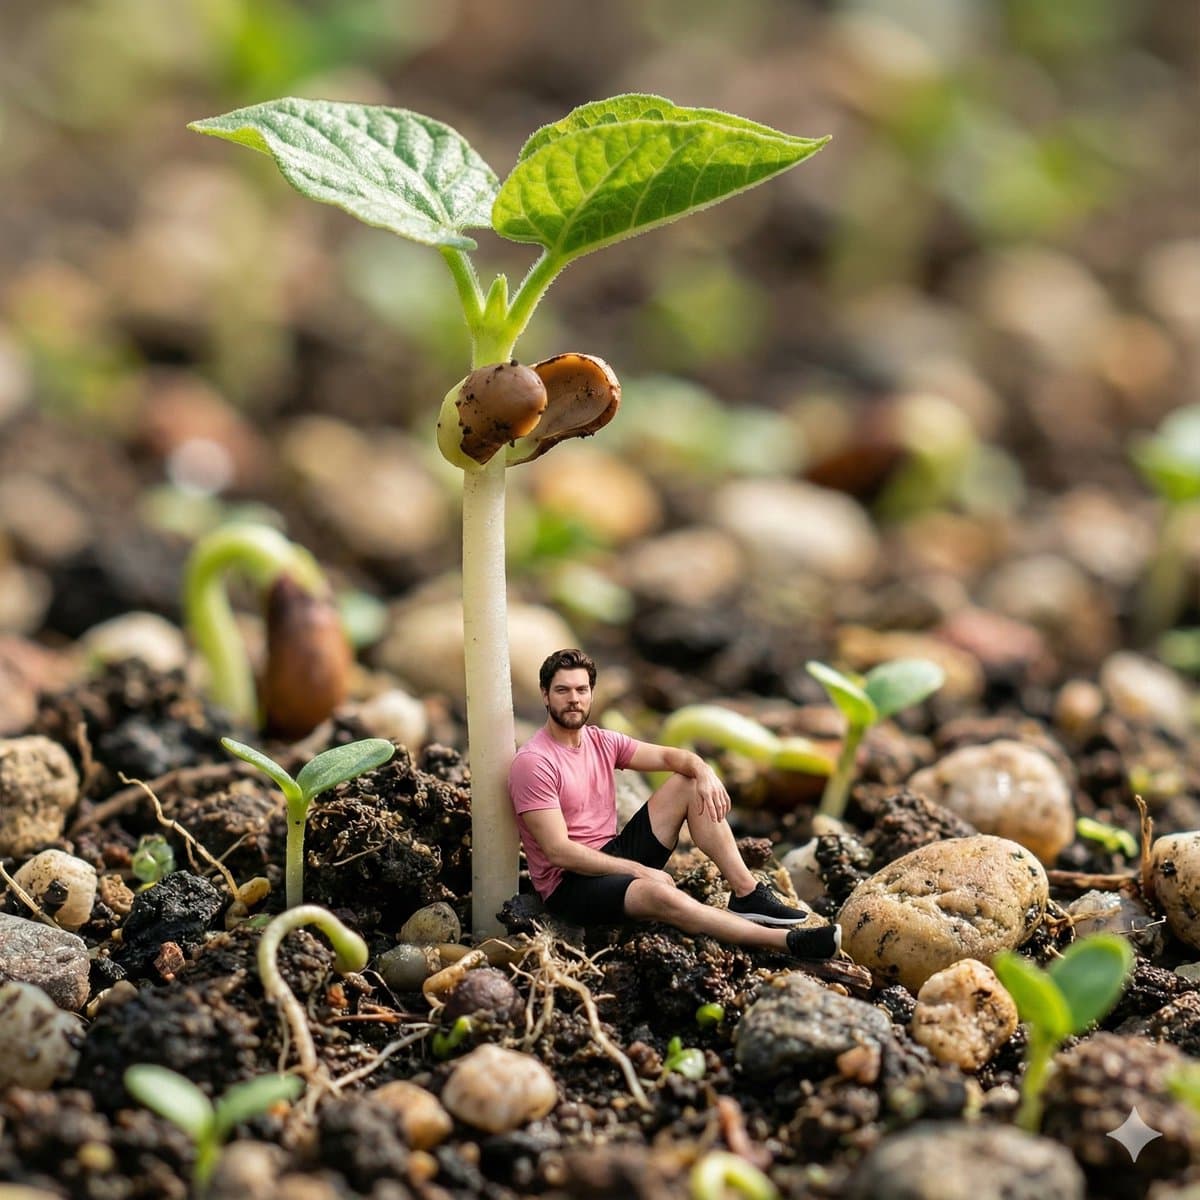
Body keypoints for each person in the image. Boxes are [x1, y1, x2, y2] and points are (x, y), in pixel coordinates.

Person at [508, 648, 840, 959]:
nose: (574, 699)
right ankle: (787, 943)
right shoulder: (535, 762)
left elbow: (671, 757)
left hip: (611, 853)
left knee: (687, 783)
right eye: (563, 690)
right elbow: (558, 851)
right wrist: (640, 871)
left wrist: (704, 771)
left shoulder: (600, 740)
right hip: (570, 887)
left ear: (592, 693)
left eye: (581, 690)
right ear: (545, 694)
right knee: (662, 895)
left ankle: (747, 893)